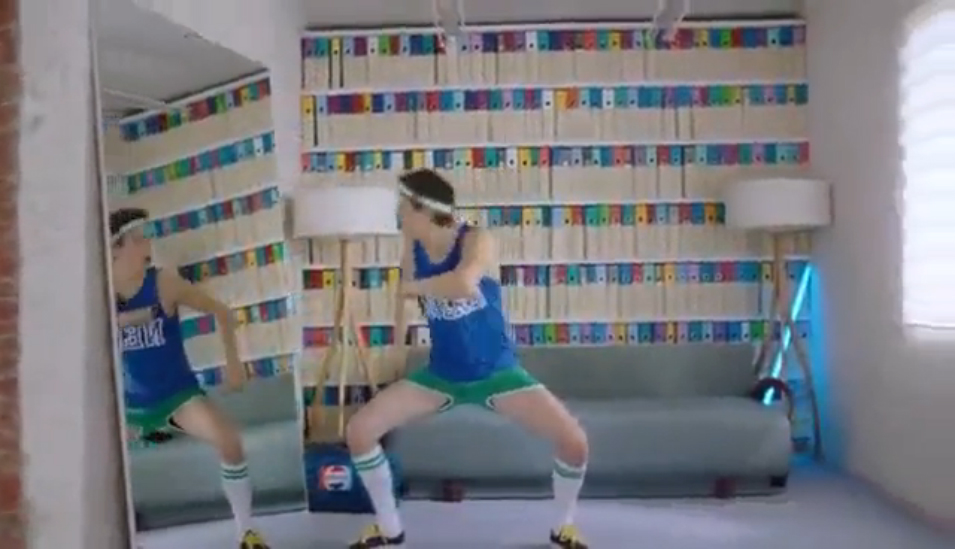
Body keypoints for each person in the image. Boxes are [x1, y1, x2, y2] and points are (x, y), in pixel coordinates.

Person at [345, 169, 591, 549]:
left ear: (424, 209)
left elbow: (462, 283)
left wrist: (416, 287)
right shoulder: (413, 247)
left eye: (404, 208)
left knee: (575, 443)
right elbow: (406, 298)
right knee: (359, 432)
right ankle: (389, 529)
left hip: (497, 373)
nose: (399, 215)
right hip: (441, 375)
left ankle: (563, 528)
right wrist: (397, 342)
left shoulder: (476, 238)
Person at [110, 208, 270, 549]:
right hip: (129, 405)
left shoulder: (163, 282)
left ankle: (246, 532)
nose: (148, 244)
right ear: (115, 248)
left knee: (230, 442)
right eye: (139, 239)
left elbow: (221, 312)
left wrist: (233, 363)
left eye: (147, 236)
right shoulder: (101, 295)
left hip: (176, 396)